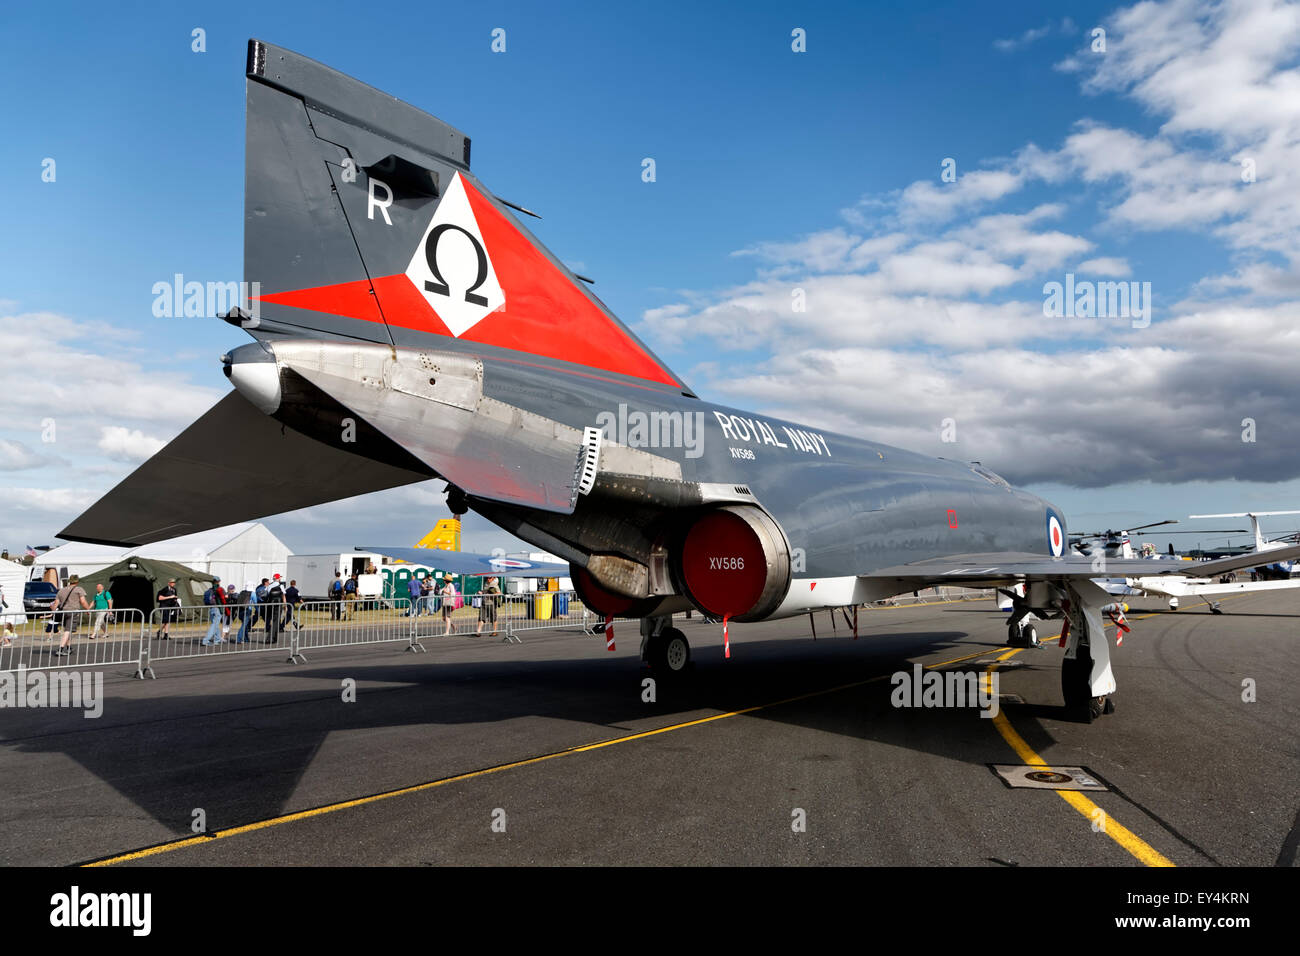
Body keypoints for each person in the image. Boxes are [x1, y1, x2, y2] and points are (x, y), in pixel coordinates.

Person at [52, 575, 91, 657]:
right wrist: (88, 610)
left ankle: (69, 648)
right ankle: (61, 649)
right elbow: (83, 602)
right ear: (77, 581)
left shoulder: (61, 590)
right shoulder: (79, 589)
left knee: (67, 630)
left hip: (63, 612)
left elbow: (56, 603)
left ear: (70, 581)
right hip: (73, 612)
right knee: (68, 631)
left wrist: (53, 613)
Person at [202, 577, 227, 645]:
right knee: (214, 625)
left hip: (211, 608)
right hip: (217, 609)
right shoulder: (220, 589)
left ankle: (217, 639)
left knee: (215, 624)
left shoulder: (210, 590)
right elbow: (225, 597)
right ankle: (205, 640)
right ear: (219, 581)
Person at [263, 575, 285, 644]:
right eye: (280, 577)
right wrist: (285, 605)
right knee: (276, 621)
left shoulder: (270, 585)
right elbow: (283, 596)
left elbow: (267, 594)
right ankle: (269, 638)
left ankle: (275, 639)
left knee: (276, 621)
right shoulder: (281, 586)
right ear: (278, 579)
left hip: (271, 604)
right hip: (278, 605)